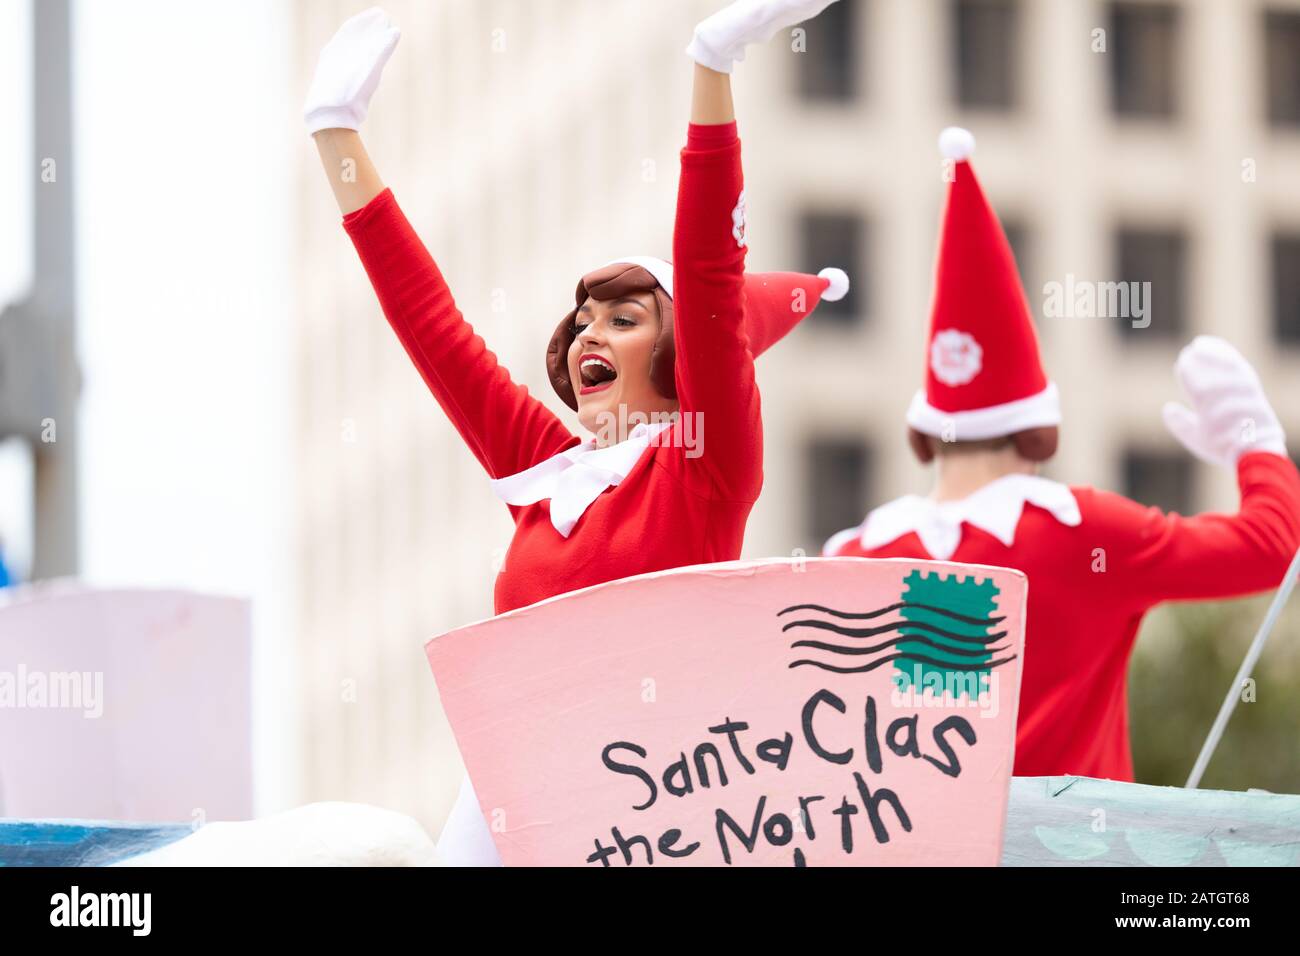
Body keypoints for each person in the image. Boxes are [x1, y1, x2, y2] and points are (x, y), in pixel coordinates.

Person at [305, 1, 846, 864]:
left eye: (625, 319)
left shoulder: (703, 461)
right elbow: (429, 324)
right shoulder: (543, 472)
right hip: (512, 800)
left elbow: (710, 273)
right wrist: (336, 134)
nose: (589, 333)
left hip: (658, 804)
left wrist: (713, 62)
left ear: (680, 352)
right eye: (583, 319)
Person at [824, 127, 1300, 783]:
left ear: (926, 431)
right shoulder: (1085, 533)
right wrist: (1257, 447)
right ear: (1039, 427)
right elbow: (1273, 548)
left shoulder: (850, 560)